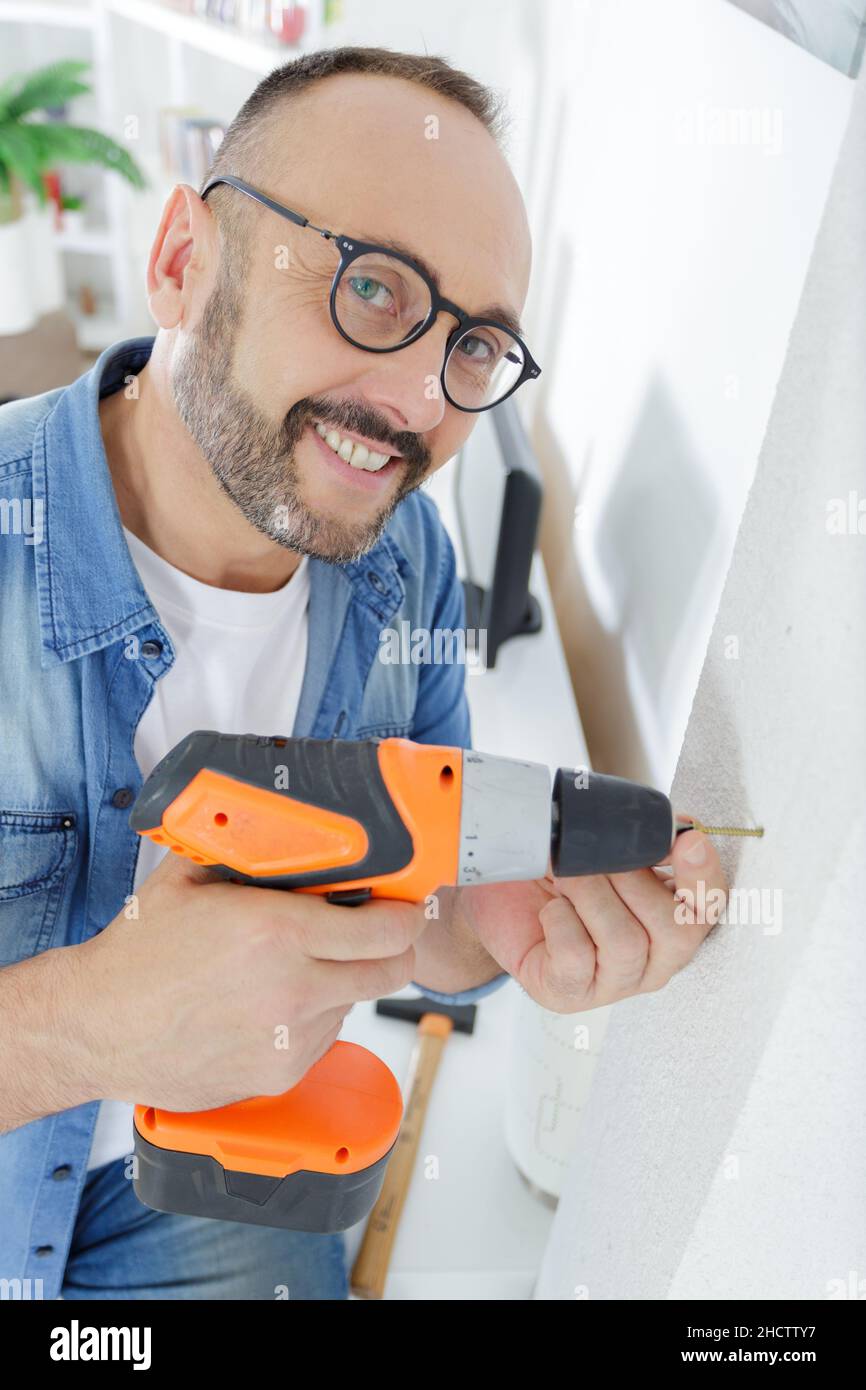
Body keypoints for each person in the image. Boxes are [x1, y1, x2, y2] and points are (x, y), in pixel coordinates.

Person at [0, 46, 727, 1300]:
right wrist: (86, 1028)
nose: (413, 403)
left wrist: (490, 917)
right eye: (373, 287)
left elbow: (420, 927)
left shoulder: (407, 569)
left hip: (215, 1170)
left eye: (474, 346)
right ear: (182, 259)